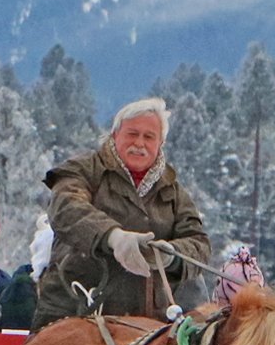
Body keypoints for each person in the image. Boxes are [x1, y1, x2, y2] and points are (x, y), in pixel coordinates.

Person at [30, 97, 209, 332]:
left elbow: (199, 243)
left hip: (147, 327)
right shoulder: (83, 170)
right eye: (132, 134)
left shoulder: (173, 191)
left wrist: (171, 256)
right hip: (73, 314)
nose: (139, 143)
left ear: (160, 143)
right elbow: (66, 209)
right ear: (115, 135)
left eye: (148, 136)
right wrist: (113, 237)